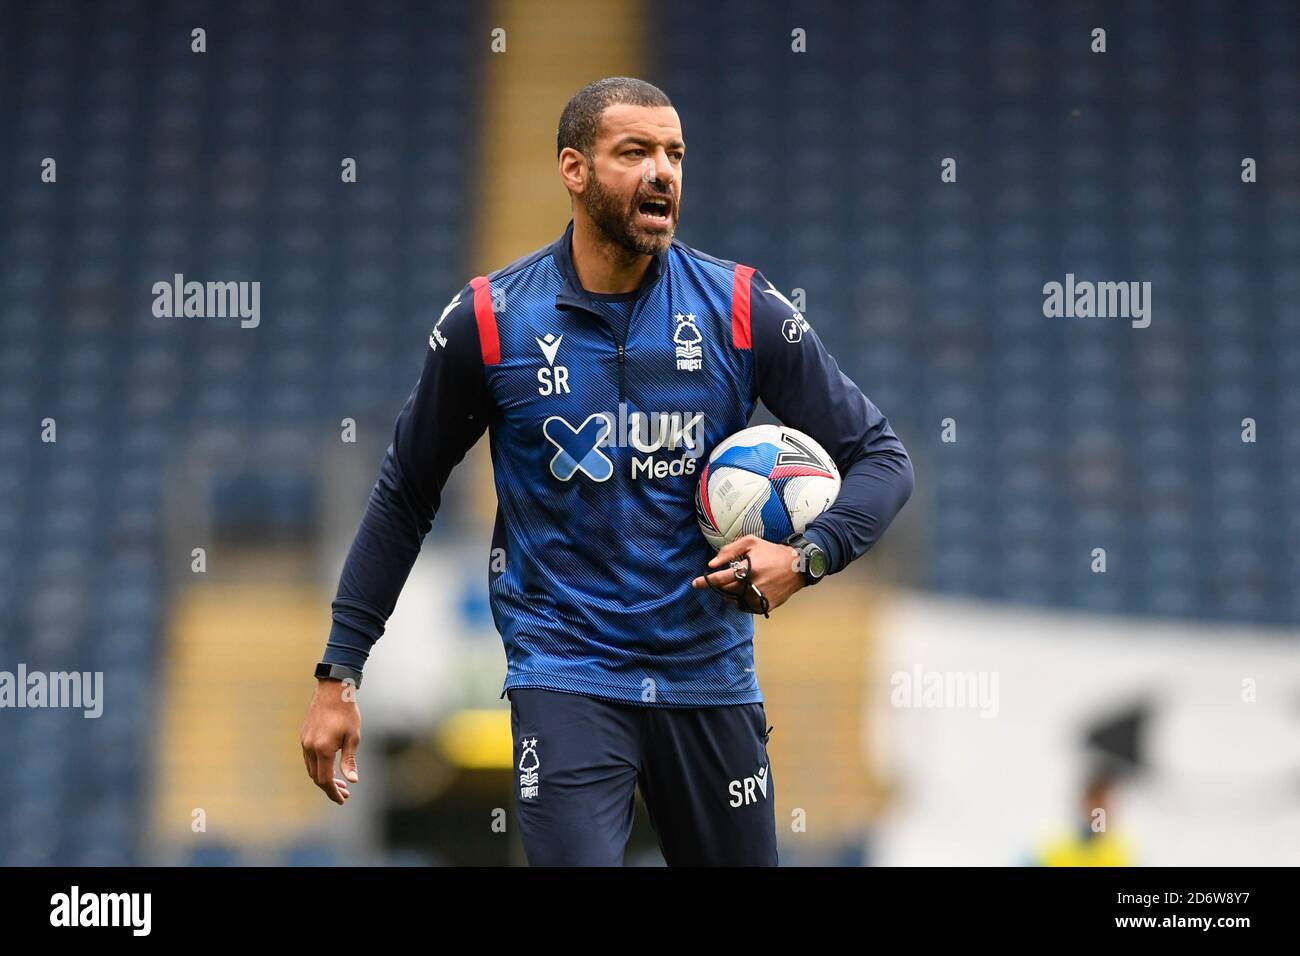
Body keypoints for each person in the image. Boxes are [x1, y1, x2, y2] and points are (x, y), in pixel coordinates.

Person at [299, 76, 914, 866]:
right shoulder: (490, 321)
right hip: (567, 672)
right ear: (573, 169)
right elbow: (403, 497)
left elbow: (882, 460)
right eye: (635, 152)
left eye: (675, 154)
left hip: (710, 678)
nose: (664, 171)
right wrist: (338, 673)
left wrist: (806, 557)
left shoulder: (740, 307)